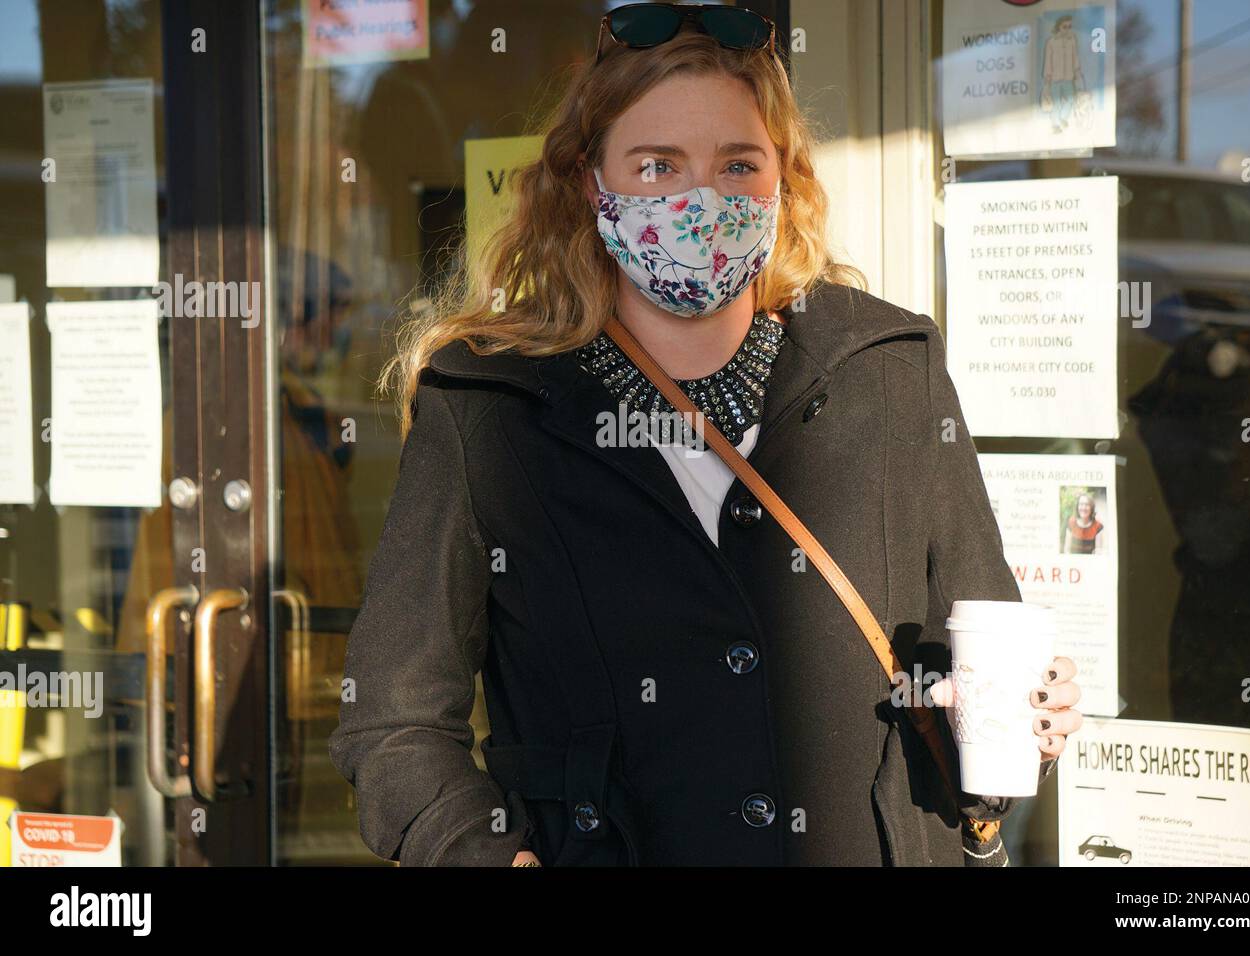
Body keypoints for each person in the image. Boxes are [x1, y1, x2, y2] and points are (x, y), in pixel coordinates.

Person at [329, 2, 1082, 867]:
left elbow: (978, 660)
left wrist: (1031, 720)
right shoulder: (490, 405)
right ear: (590, 184)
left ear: (781, 182)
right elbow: (392, 723)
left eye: (737, 164)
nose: (700, 199)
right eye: (657, 166)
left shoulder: (890, 369)